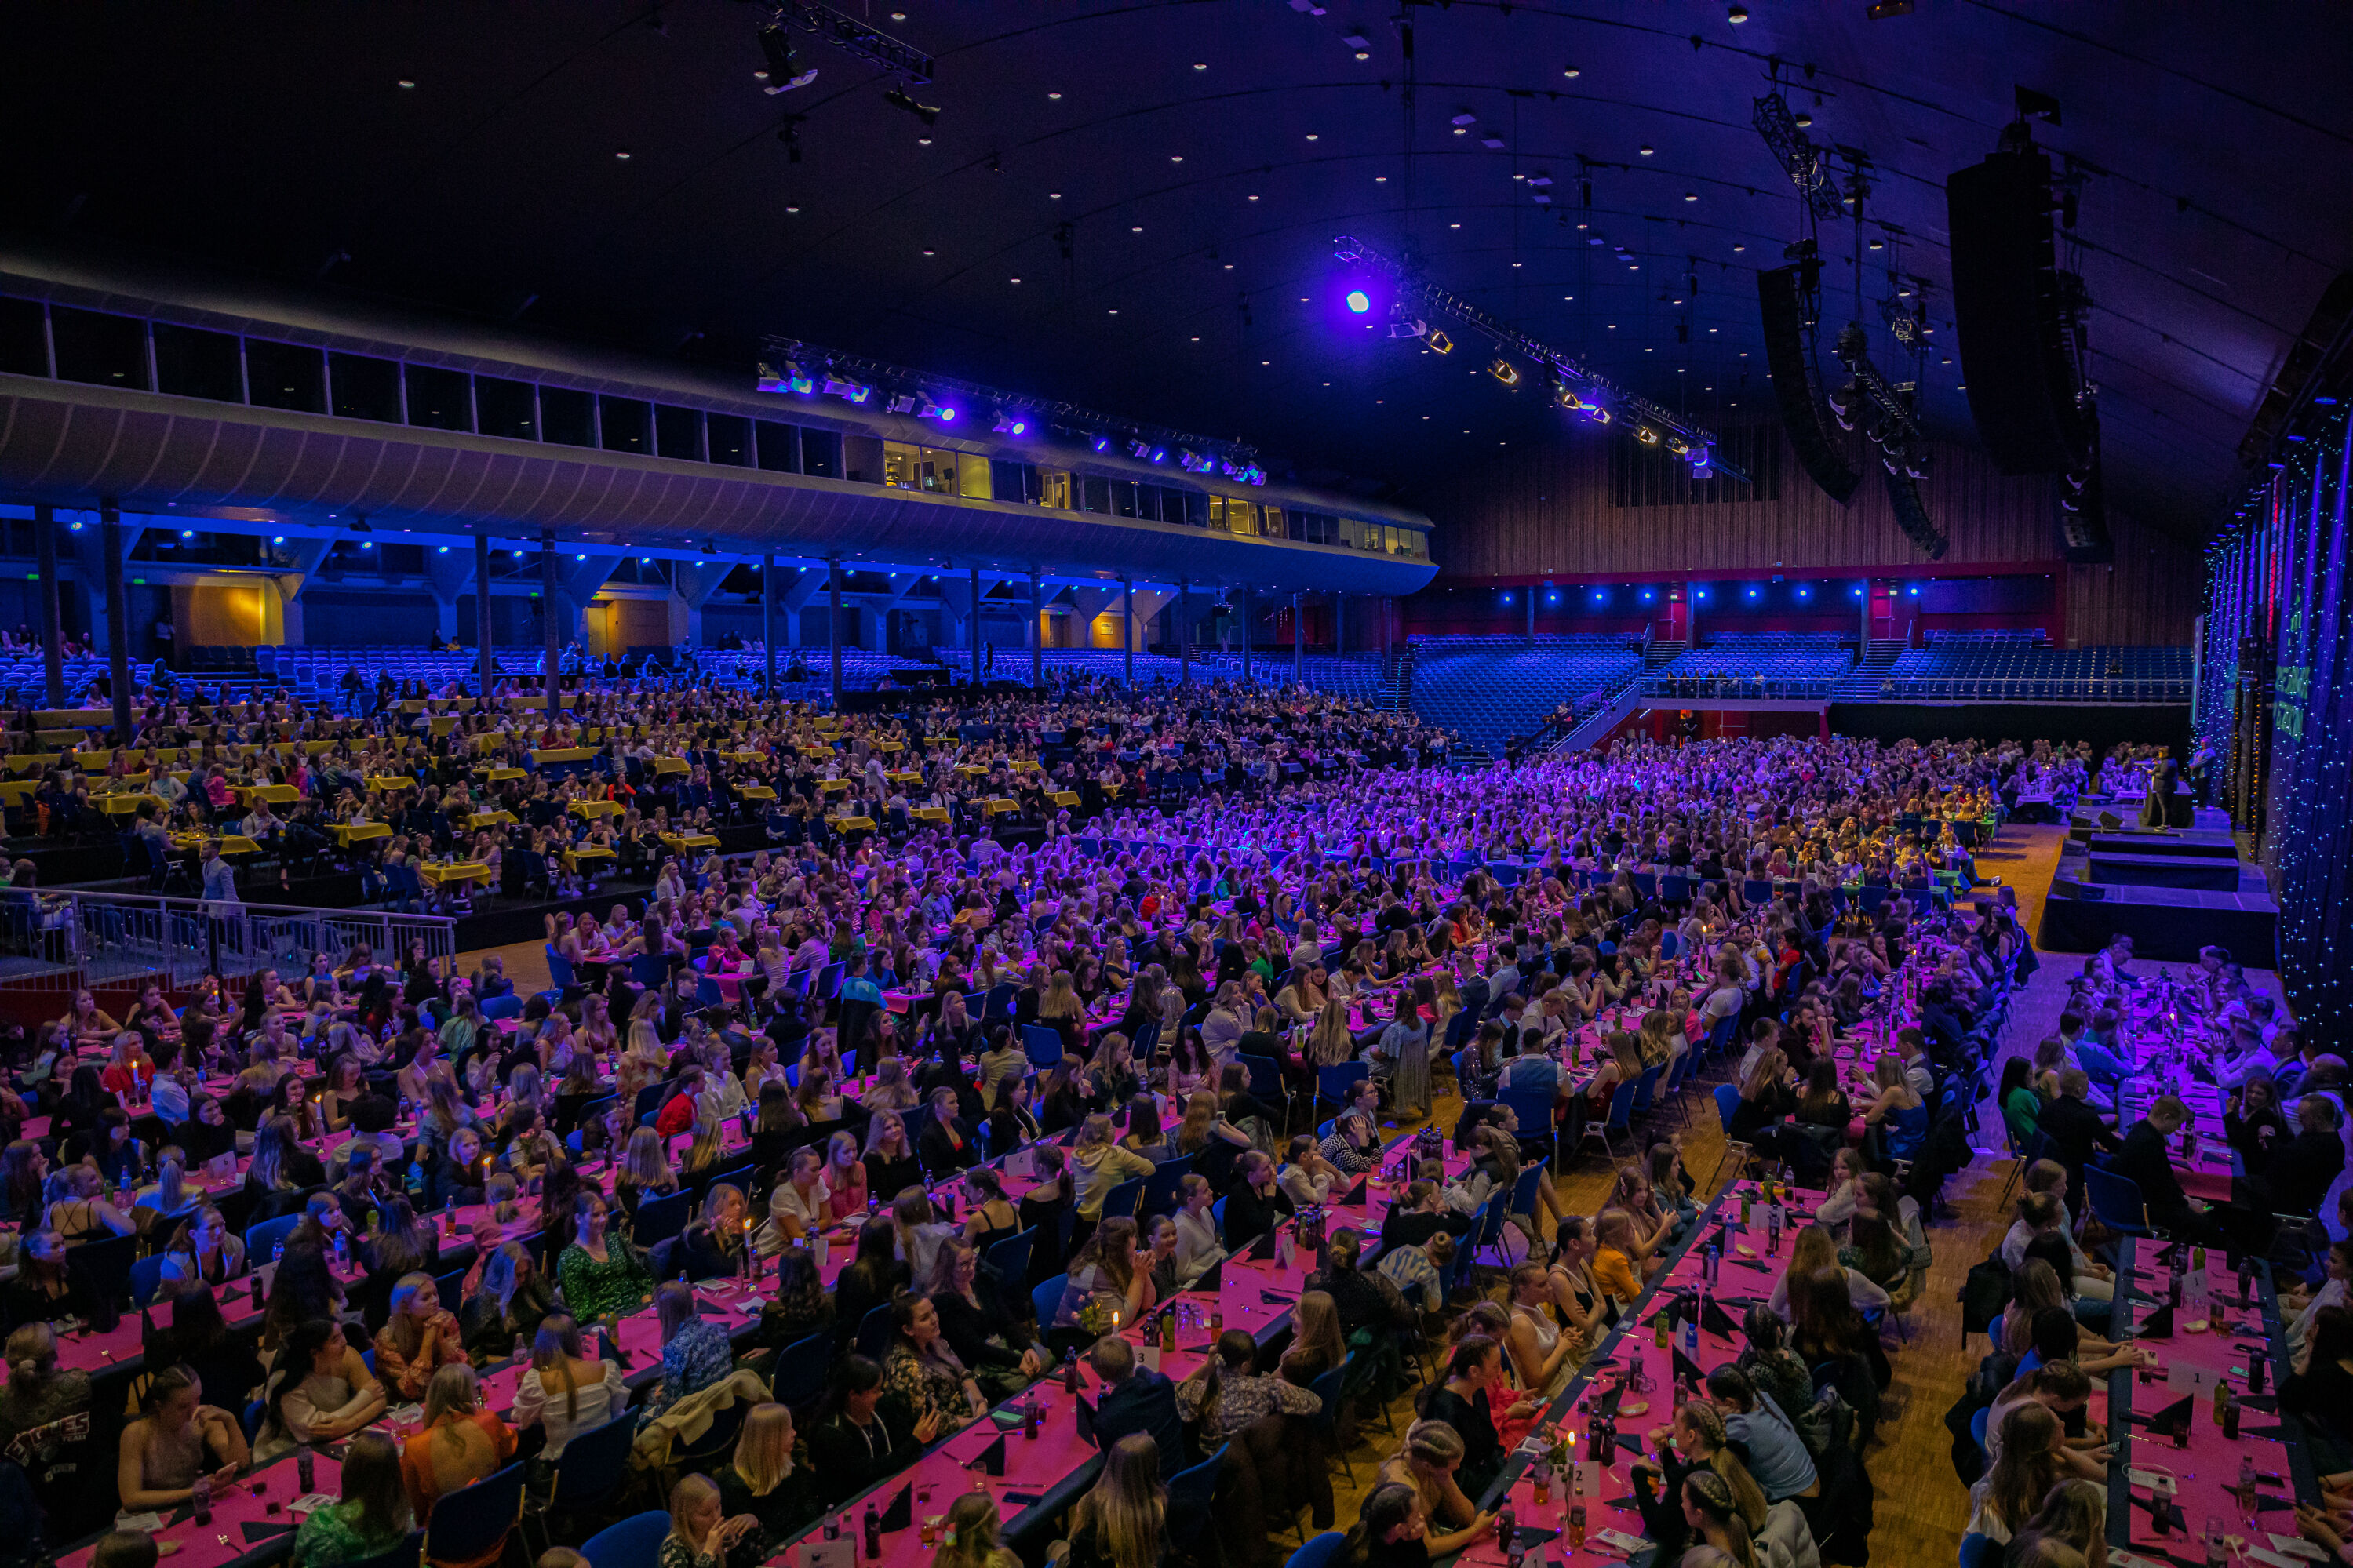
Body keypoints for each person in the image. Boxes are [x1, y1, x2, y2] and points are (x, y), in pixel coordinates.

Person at [398, 1365, 515, 1549]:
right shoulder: (489, 1420)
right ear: (468, 1394)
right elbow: (509, 1449)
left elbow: (416, 1508)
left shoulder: (415, 1447)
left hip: (447, 1545)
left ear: (432, 1398)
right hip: (497, 1527)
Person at [114, 1363, 251, 1514]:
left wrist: (230, 1420)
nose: (193, 1411)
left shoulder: (203, 1421)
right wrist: (193, 1491)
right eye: (182, 1407)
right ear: (160, 1406)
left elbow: (240, 1465)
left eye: (197, 1400)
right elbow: (131, 1499)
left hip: (188, 1507)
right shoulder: (137, 1433)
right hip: (148, 1515)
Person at [254, 1319, 388, 1461]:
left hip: (338, 1440)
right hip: (288, 1453)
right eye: (335, 1339)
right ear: (315, 1353)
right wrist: (365, 1397)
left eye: (342, 1334)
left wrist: (349, 1424)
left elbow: (381, 1398)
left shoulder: (347, 1355)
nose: (344, 1342)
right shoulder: (288, 1381)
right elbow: (317, 1430)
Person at [807, 1355, 927, 1507]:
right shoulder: (832, 1434)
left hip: (893, 1490)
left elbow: (903, 1441)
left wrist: (916, 1440)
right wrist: (915, 1441)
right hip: (855, 1505)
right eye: (875, 1391)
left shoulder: (883, 1406)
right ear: (853, 1395)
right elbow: (870, 1473)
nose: (881, 1394)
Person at [511, 1315, 629, 1470]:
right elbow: (618, 1409)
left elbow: (520, 1419)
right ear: (575, 1339)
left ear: (540, 1346)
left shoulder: (536, 1382)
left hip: (563, 1474)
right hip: (609, 1463)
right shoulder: (606, 1369)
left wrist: (543, 1413)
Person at [1371, 1421, 1495, 1558]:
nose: (1458, 1468)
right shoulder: (1403, 1488)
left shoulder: (1432, 1466)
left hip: (1433, 1538)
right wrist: (1476, 1530)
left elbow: (1467, 1517)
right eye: (1451, 1467)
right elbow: (1428, 1549)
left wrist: (1446, 1478)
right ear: (1428, 1466)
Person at [879, 1293, 987, 1441]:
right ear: (908, 1330)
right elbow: (934, 1420)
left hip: (972, 1419)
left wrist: (981, 1403)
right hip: (947, 1439)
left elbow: (963, 1373)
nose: (934, 1319)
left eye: (933, 1311)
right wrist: (977, 1423)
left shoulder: (934, 1340)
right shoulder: (906, 1368)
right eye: (924, 1318)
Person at [1061, 1433, 1167, 1568]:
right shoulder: (1161, 1507)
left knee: (1054, 1547)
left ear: (1112, 1464)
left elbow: (1079, 1556)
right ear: (1153, 1466)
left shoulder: (1090, 1506)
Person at [1087, 1334, 1185, 1477]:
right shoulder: (1163, 1384)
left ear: (1101, 1375)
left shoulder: (1105, 1421)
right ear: (1133, 1359)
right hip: (1178, 1477)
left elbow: (1113, 1471)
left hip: (1140, 1489)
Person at [555, 1191, 656, 1322]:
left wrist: (646, 1303)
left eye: (605, 1213)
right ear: (578, 1219)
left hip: (639, 1309)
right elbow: (581, 1312)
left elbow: (642, 1278)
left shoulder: (617, 1239)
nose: (603, 1219)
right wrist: (613, 1322)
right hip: (606, 1322)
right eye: (595, 1215)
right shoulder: (569, 1259)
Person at [374, 1272, 465, 1402]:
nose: (435, 1301)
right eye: (425, 1298)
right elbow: (412, 1391)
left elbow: (460, 1371)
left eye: (435, 1294)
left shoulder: (446, 1320)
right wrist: (427, 1343)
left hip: (442, 1393)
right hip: (404, 1405)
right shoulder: (387, 1339)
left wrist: (443, 1343)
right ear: (405, 1307)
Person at [648, 1281, 734, 1415]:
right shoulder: (718, 1329)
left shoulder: (675, 1349)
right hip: (725, 1409)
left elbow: (671, 1406)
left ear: (664, 1314)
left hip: (697, 1418)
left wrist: (656, 1397)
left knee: (647, 1401)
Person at [661, 1472, 760, 1568]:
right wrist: (708, 1552)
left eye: (717, 1506)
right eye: (706, 1513)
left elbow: (759, 1557)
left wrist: (754, 1525)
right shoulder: (675, 1549)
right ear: (685, 1516)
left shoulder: (724, 1533)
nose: (716, 1516)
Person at [1344, 1483, 1430, 1568]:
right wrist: (1416, 1542)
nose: (1421, 1516)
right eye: (1416, 1515)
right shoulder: (1376, 1562)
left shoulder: (1377, 1529)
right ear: (1400, 1528)